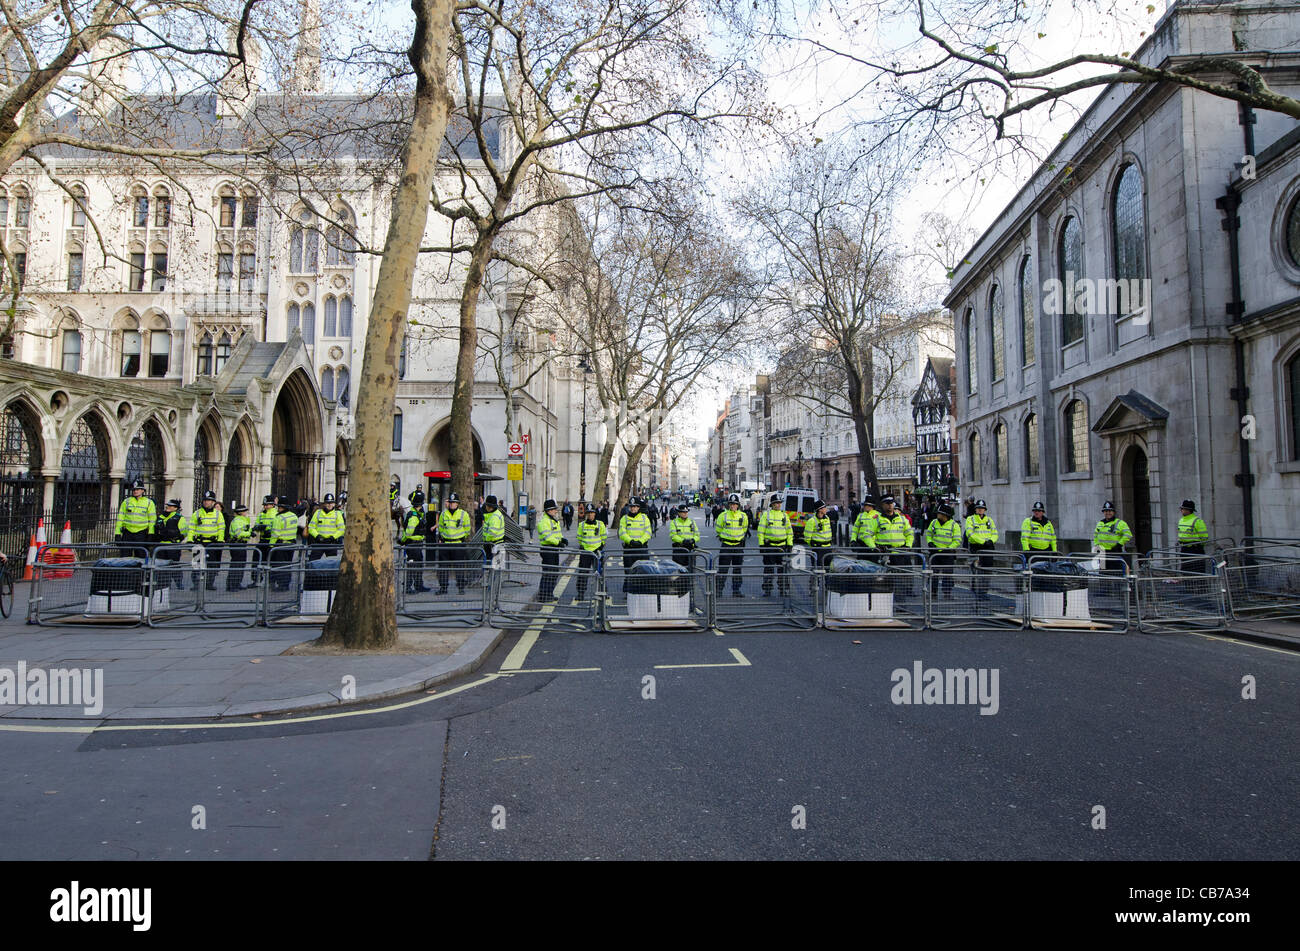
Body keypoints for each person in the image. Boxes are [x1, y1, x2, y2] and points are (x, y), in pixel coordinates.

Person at [186, 489, 226, 590]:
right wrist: (190, 540)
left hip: (212, 543)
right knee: (197, 564)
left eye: (208, 500)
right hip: (199, 542)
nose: (206, 502)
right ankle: (196, 584)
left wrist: (220, 540)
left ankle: (209, 584)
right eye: (205, 500)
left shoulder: (218, 514)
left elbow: (221, 528)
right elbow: (191, 527)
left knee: (211, 564)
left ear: (213, 502)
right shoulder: (197, 513)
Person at [436, 492, 474, 595]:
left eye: (454, 502)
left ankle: (461, 587)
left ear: (457, 504)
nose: (452, 504)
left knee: (459, 567)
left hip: (458, 544)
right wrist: (443, 538)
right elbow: (441, 527)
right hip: (446, 543)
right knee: (443, 567)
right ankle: (443, 588)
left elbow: (467, 529)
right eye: (451, 502)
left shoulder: (463, 514)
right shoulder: (444, 514)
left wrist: (461, 538)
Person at [714, 493, 749, 597]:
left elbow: (745, 528)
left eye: (735, 504)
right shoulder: (723, 515)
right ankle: (719, 591)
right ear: (729, 505)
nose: (733, 506)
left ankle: (736, 591)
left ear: (738, 505)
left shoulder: (743, 516)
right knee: (723, 569)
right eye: (731, 504)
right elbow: (718, 529)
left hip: (738, 546)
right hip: (726, 546)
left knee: (737, 569)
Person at [964, 498, 999, 597]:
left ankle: (983, 592)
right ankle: (976, 590)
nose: (980, 510)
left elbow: (995, 533)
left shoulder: (989, 520)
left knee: (987, 571)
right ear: (975, 509)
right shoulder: (970, 519)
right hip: (976, 547)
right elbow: (970, 534)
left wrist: (991, 541)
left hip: (988, 547)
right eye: (978, 508)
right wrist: (983, 541)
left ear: (985, 510)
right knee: (976, 570)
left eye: (982, 508)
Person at [114, 479, 156, 558]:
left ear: (143, 490)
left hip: (142, 533)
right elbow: (120, 518)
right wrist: (117, 533)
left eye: (137, 489)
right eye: (134, 489)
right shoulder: (126, 501)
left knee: (141, 556)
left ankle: (141, 571)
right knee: (125, 557)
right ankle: (126, 571)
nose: (135, 491)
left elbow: (152, 520)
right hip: (127, 533)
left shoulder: (149, 502)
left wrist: (151, 534)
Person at [618, 498, 652, 588]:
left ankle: (643, 589)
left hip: (642, 548)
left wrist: (640, 541)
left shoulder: (644, 518)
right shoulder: (624, 519)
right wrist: (631, 541)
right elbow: (622, 533)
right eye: (631, 506)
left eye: (635, 507)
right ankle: (629, 590)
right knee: (629, 570)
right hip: (629, 548)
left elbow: (648, 532)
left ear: (638, 508)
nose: (633, 508)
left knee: (644, 570)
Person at [154, 499, 188, 590]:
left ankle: (178, 583)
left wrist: (175, 536)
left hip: (173, 545)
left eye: (170, 506)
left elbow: (184, 532)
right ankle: (163, 583)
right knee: (161, 565)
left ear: (175, 508)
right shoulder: (161, 516)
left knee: (174, 565)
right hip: (161, 545)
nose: (168, 507)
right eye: (168, 505)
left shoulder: (179, 518)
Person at [536, 499, 567, 601]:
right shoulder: (544, 522)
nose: (556, 511)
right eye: (554, 509)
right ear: (549, 510)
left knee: (554, 573)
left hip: (553, 549)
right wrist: (558, 543)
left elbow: (556, 534)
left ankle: (549, 594)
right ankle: (543, 595)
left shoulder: (553, 521)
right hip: (548, 549)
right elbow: (547, 536)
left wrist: (562, 539)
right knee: (548, 573)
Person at [1094, 501, 1134, 576]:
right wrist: (1097, 546)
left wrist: (1119, 545)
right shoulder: (1100, 523)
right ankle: (1105, 587)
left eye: (1109, 511)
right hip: (1102, 553)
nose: (1108, 513)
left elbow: (1128, 535)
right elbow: (1096, 536)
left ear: (1113, 512)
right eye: (1106, 511)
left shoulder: (1120, 523)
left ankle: (1117, 587)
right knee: (1103, 575)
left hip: (1115, 552)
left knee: (1116, 573)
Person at [575, 503, 606, 600]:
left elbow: (604, 537)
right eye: (588, 513)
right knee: (583, 574)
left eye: (592, 513)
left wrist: (600, 546)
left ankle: (602, 591)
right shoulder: (582, 525)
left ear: (595, 514)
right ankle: (581, 593)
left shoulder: (600, 524)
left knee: (600, 573)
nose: (590, 515)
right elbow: (579, 538)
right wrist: (584, 546)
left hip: (597, 552)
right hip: (586, 552)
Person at [270, 496, 301, 591]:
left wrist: (271, 545)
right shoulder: (294, 516)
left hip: (280, 544)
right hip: (291, 544)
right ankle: (286, 584)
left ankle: (281, 585)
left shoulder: (279, 518)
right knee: (288, 565)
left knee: (280, 565)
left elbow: (275, 533)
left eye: (279, 507)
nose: (278, 509)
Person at [402, 491, 430, 593]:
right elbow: (409, 532)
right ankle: (408, 588)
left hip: (415, 544)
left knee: (418, 565)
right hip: (413, 544)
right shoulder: (414, 516)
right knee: (413, 566)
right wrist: (403, 541)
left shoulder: (416, 514)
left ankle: (419, 585)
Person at [306, 493, 345, 558]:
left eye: (331, 503)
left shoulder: (337, 514)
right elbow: (311, 527)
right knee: (313, 562)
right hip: (319, 542)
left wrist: (333, 537)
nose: (329, 505)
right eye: (327, 503)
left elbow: (341, 529)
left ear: (334, 504)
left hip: (331, 543)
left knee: (331, 564)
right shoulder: (318, 513)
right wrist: (317, 536)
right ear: (324, 504)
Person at [225, 503, 253, 591]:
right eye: (245, 511)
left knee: (241, 564)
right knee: (236, 565)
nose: (246, 512)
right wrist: (249, 533)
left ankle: (237, 583)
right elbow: (238, 533)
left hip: (242, 544)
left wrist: (252, 530)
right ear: (241, 512)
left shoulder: (244, 520)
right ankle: (232, 585)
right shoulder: (237, 520)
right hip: (237, 544)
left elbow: (245, 530)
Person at [1177, 499, 1210, 572]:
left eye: (1182, 509)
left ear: (1188, 510)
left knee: (1197, 571)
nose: (1181, 510)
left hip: (1195, 549)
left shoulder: (1197, 521)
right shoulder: (1181, 520)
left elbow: (1204, 537)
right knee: (1186, 570)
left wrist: (1198, 545)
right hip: (1184, 548)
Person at [253, 495, 278, 584]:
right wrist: (258, 528)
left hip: (271, 540)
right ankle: (256, 580)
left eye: (267, 505)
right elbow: (256, 524)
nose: (266, 507)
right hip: (263, 540)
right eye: (265, 505)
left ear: (272, 505)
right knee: (256, 559)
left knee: (271, 561)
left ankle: (272, 582)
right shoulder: (261, 514)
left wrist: (269, 530)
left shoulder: (276, 514)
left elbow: (276, 527)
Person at [803, 499, 834, 566]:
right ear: (820, 509)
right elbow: (807, 536)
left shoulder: (827, 518)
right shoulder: (812, 521)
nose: (826, 509)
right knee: (818, 569)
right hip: (818, 549)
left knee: (828, 569)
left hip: (828, 548)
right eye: (824, 507)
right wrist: (813, 545)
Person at [480, 495, 505, 576]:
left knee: (494, 567)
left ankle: (492, 585)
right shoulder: (491, 515)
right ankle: (492, 584)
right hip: (493, 544)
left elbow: (492, 533)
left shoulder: (494, 516)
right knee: (494, 567)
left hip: (494, 544)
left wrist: (486, 540)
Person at [669, 504, 700, 569]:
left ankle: (690, 579)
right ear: (679, 513)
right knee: (679, 569)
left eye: (686, 512)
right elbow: (673, 536)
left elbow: (697, 535)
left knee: (691, 568)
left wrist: (693, 540)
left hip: (690, 548)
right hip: (679, 549)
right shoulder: (674, 522)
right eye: (683, 512)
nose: (685, 514)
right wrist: (683, 541)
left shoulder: (692, 522)